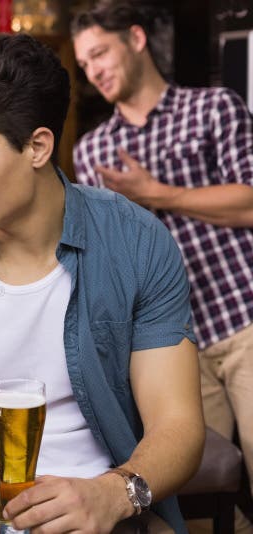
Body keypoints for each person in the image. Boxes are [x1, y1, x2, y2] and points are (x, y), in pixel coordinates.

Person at [0, 32, 204, 533]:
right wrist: (2, 521)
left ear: (37, 146)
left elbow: (177, 424)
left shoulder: (137, 243)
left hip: (105, 504)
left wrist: (113, 494)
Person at [71, 0, 253, 507]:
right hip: (172, 344)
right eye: (85, 64)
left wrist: (156, 194)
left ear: (135, 38)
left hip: (244, 319)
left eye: (100, 53)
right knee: (192, 494)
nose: (94, 71)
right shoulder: (93, 151)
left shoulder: (213, 107)